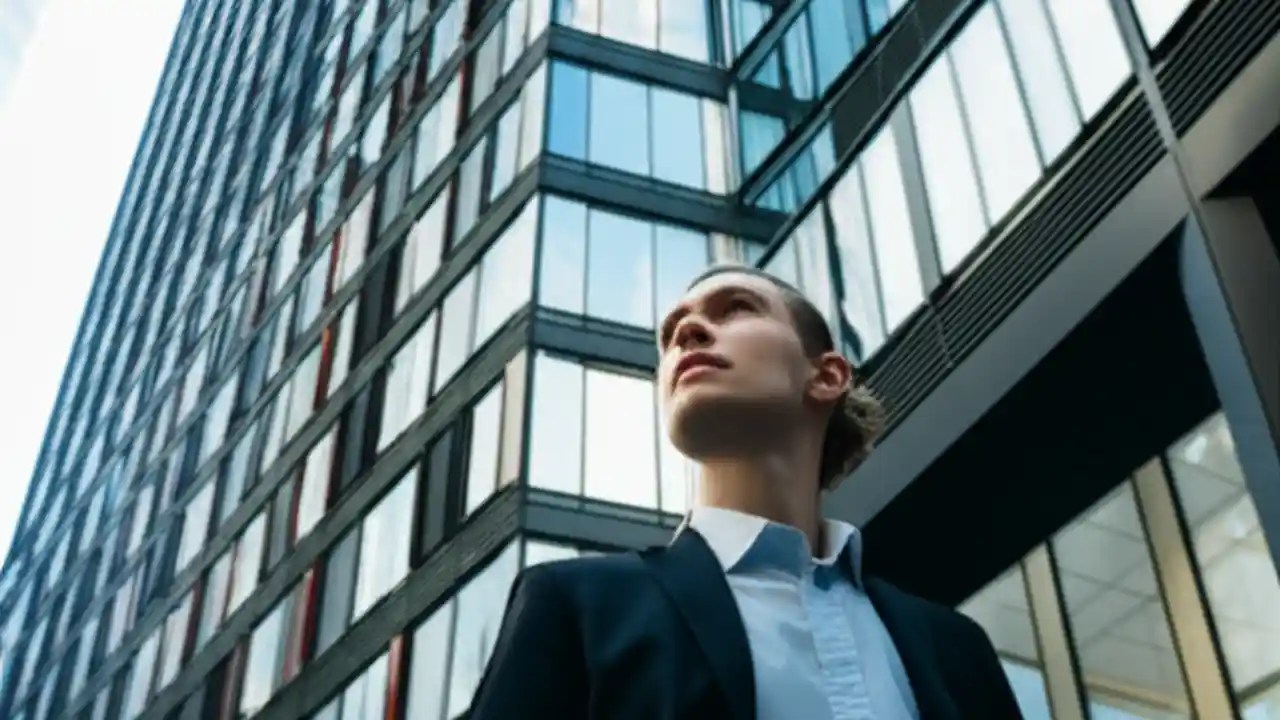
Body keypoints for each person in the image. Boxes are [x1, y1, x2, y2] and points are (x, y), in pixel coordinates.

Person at [469, 265, 1023, 719]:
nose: (687, 333)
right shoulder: (574, 604)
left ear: (827, 376)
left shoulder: (956, 649)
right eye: (672, 333)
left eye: (735, 308)